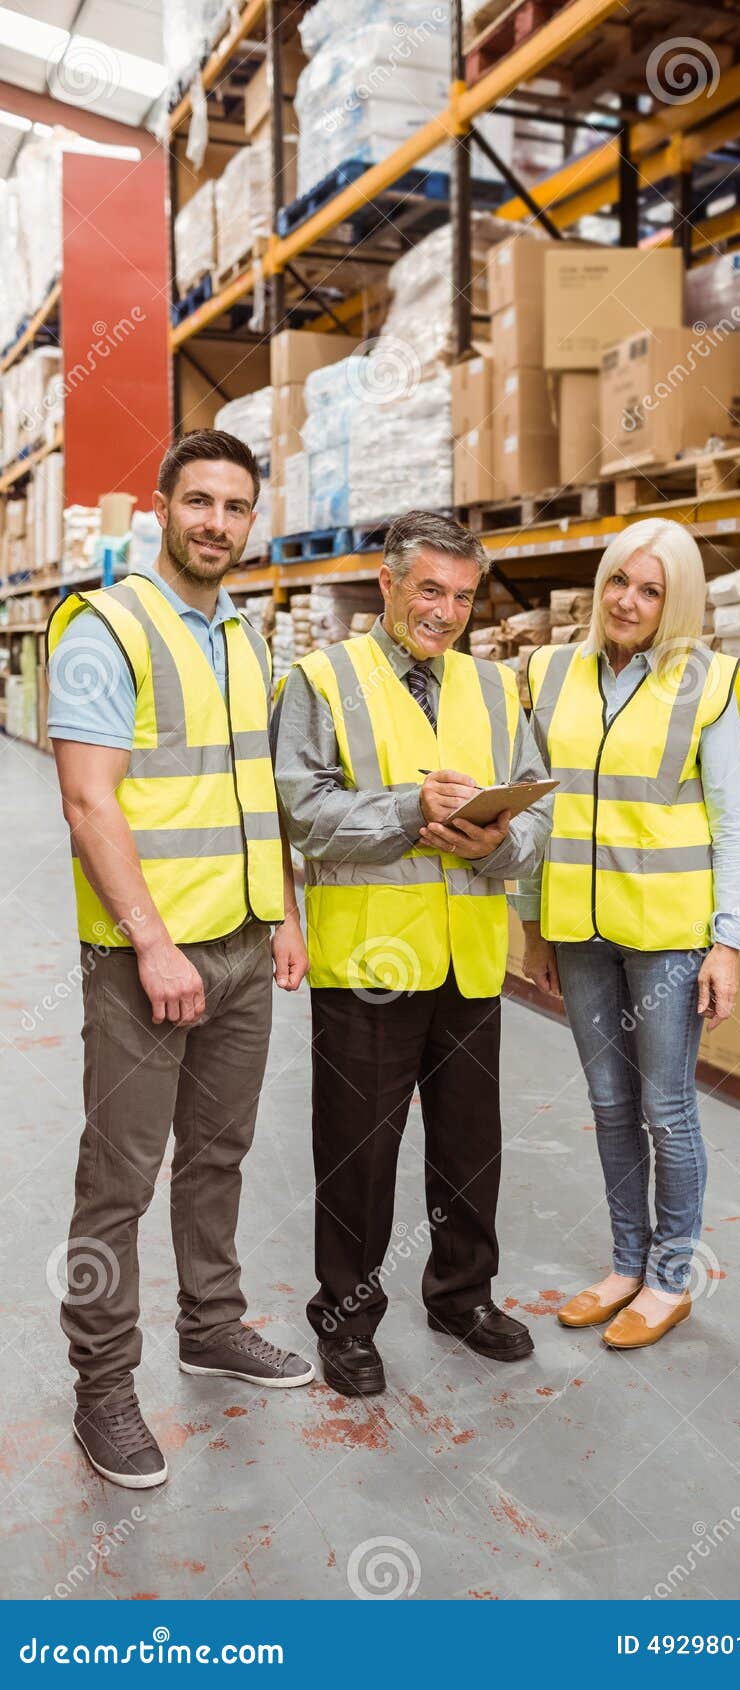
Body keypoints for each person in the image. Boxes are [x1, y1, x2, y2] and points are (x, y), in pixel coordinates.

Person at [47, 429, 312, 1491]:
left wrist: (283, 910)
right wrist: (153, 943)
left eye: (234, 506)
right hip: (144, 959)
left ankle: (211, 1323)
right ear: (160, 506)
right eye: (197, 500)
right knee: (117, 1178)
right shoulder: (105, 626)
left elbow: (256, 790)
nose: (215, 521)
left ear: (253, 519)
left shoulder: (245, 634)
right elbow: (86, 798)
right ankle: (102, 1386)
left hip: (245, 946)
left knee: (218, 1153)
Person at [272, 509, 553, 1398]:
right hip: (370, 966)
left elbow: (538, 815)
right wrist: (407, 810)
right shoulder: (321, 681)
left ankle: (462, 1296)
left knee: (471, 1145)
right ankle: (346, 1319)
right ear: (387, 583)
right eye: (429, 589)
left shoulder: (495, 688)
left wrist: (496, 848)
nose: (444, 612)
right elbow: (300, 812)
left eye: (463, 596)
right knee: (358, 1152)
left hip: (470, 958)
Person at [517, 518, 740, 1351]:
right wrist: (533, 923)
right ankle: (625, 1264)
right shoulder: (551, 669)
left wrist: (726, 942)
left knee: (666, 1110)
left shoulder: (708, 682)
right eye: (619, 581)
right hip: (580, 927)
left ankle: (668, 1280)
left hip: (667, 935)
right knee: (607, 1104)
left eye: (651, 589)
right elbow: (537, 802)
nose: (628, 601)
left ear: (678, 601)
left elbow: (732, 823)